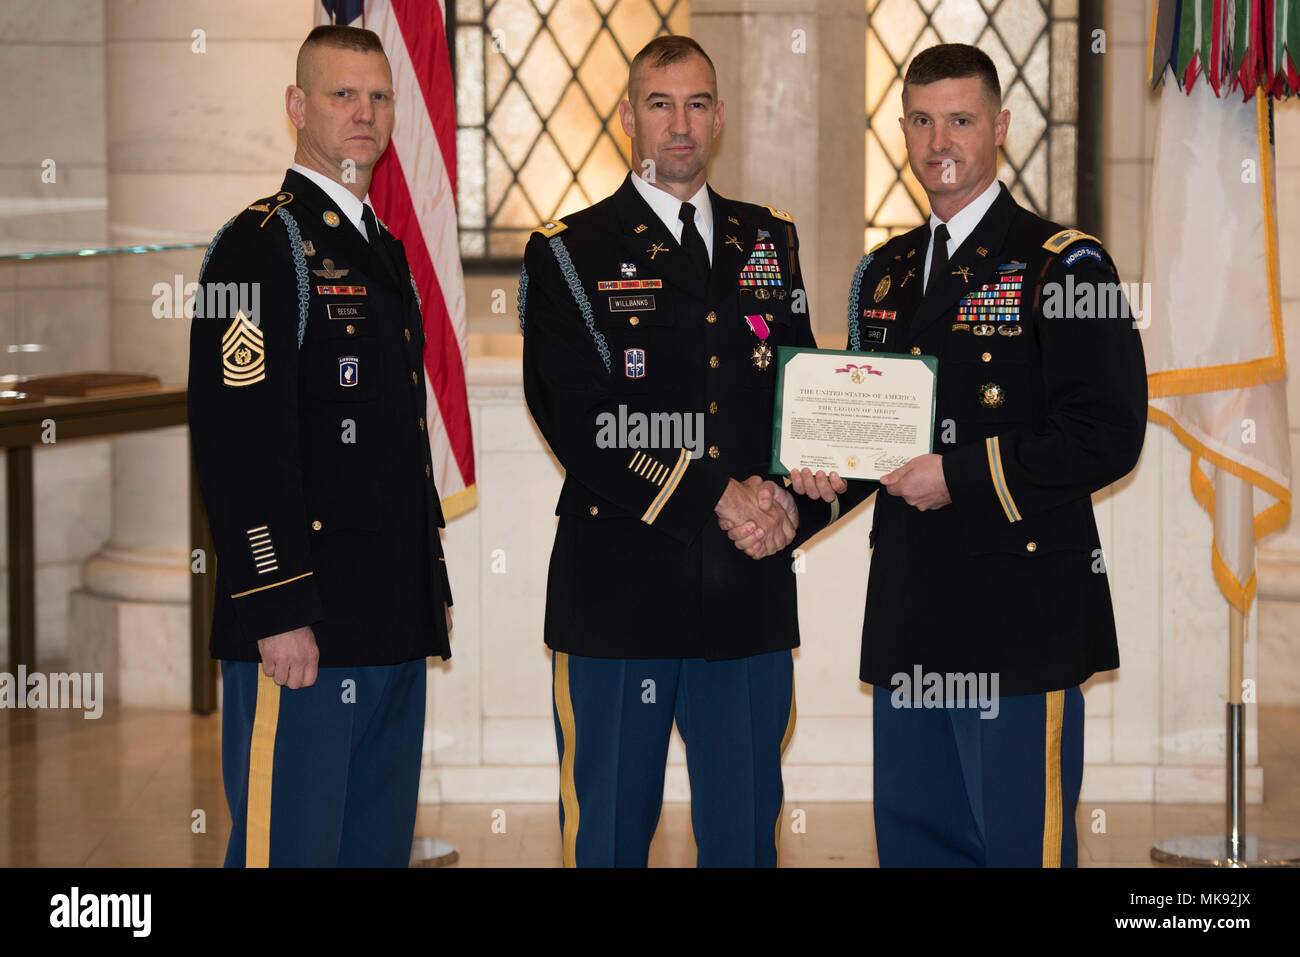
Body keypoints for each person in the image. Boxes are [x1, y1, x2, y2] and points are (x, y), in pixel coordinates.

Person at [780, 42, 1147, 867]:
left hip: (1021, 616)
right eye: (920, 120)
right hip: (913, 610)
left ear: (1001, 128)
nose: (938, 140)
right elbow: (869, 442)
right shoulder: (885, 274)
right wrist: (803, 490)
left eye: (960, 120)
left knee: (1020, 847)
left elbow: (1109, 430)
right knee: (916, 845)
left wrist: (963, 474)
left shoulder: (1063, 262)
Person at [519, 35, 843, 867]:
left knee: (743, 839)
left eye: (698, 104)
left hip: (746, 592)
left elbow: (799, 403)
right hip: (619, 593)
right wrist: (715, 494)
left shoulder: (768, 239)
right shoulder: (568, 250)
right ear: (628, 116)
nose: (680, 125)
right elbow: (580, 420)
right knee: (612, 837)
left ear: (720, 117)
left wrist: (788, 507)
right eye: (660, 104)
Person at [187, 24, 453, 867]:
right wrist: (275, 605)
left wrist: (428, 585)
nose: (364, 114)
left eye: (378, 97)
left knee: (372, 844)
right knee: (289, 847)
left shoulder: (382, 247)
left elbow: (396, 440)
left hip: (387, 616)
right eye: (343, 95)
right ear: (298, 106)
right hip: (302, 624)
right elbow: (238, 445)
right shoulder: (258, 244)